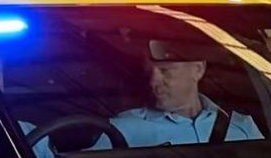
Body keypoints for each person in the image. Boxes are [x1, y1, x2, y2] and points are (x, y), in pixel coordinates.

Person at [110, 42, 263, 147]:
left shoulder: (242, 126)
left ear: (198, 70)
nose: (153, 81)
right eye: (149, 72)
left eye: (165, 71)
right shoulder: (120, 131)